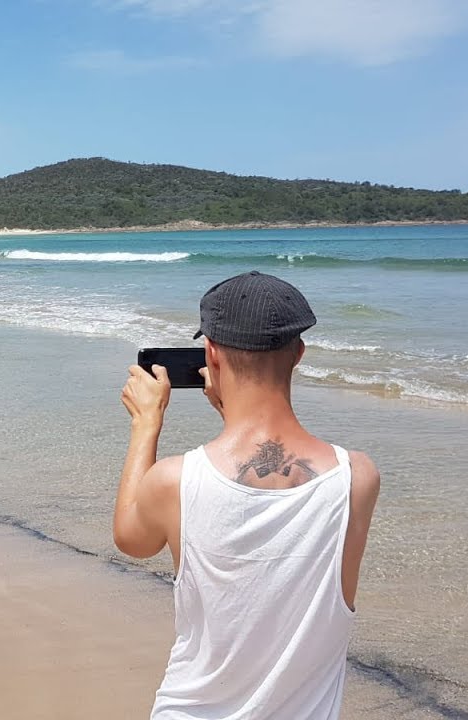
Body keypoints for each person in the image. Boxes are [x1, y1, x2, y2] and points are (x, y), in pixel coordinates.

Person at [116, 271, 381, 720]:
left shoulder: (175, 480)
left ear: (211, 354)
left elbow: (131, 539)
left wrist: (146, 424)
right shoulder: (357, 478)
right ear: (299, 353)